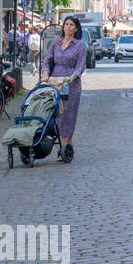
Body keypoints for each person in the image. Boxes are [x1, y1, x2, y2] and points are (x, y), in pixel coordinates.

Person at [42, 16, 88, 163]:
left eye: (71, 25)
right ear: (63, 27)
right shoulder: (56, 42)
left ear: (76, 28)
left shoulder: (80, 45)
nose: (68, 27)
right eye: (66, 24)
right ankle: (67, 148)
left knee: (68, 115)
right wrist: (45, 73)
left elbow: (81, 65)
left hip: (71, 84)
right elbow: (47, 60)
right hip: (55, 82)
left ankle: (64, 150)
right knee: (57, 115)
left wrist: (75, 75)